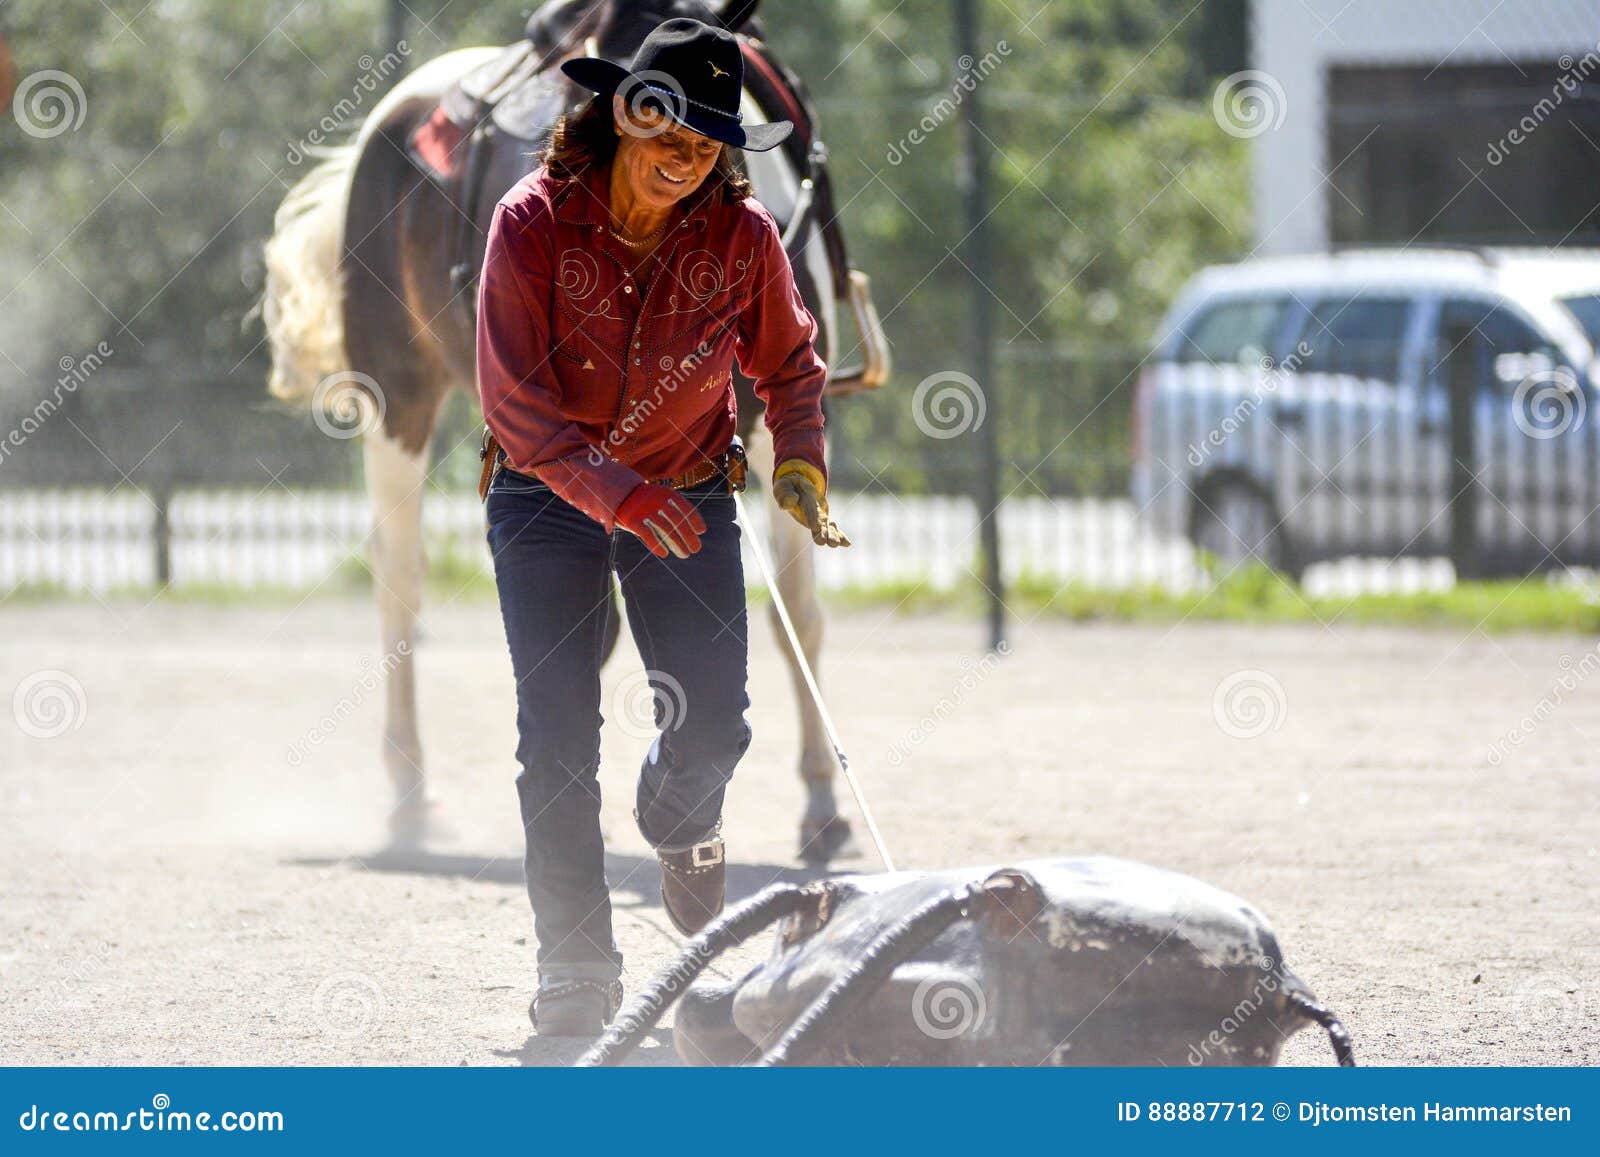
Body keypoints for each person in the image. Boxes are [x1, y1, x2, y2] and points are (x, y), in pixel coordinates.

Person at [476, 17, 849, 1037]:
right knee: (557, 737)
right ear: (620, 120)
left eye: (704, 144)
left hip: (687, 490)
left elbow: (791, 364)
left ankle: (680, 815)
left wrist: (801, 455)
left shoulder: (742, 236)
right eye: (666, 135)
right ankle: (575, 966)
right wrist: (618, 494)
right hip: (544, 497)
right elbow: (514, 403)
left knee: (716, 722)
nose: (684, 160)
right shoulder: (529, 222)